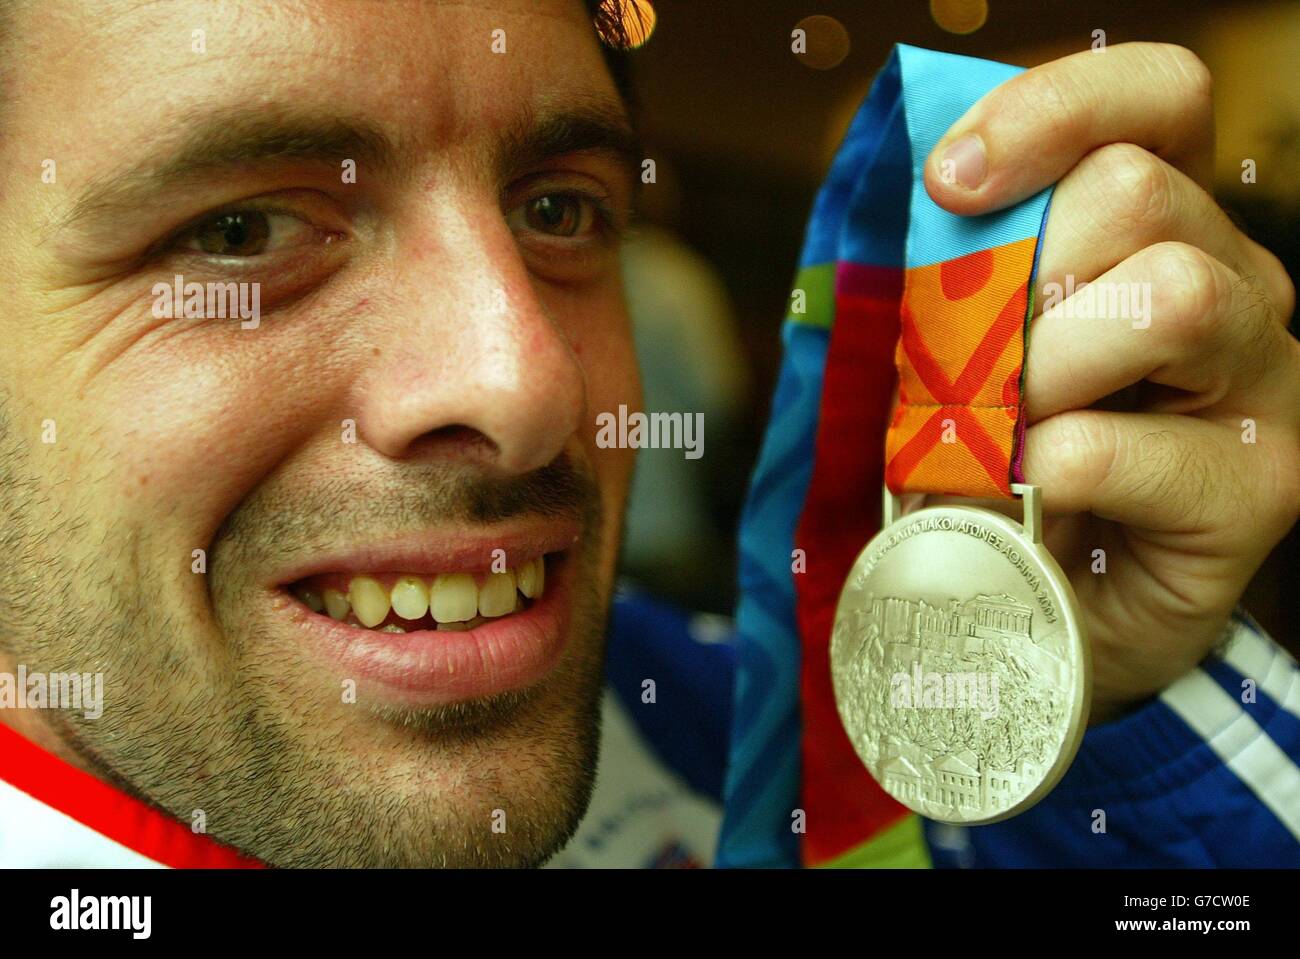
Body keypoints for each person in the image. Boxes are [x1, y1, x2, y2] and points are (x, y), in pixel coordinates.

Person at [0, 0, 1295, 869]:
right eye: (242, 232)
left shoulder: (712, 718)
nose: (527, 386)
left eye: (559, 208)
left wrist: (1112, 698)